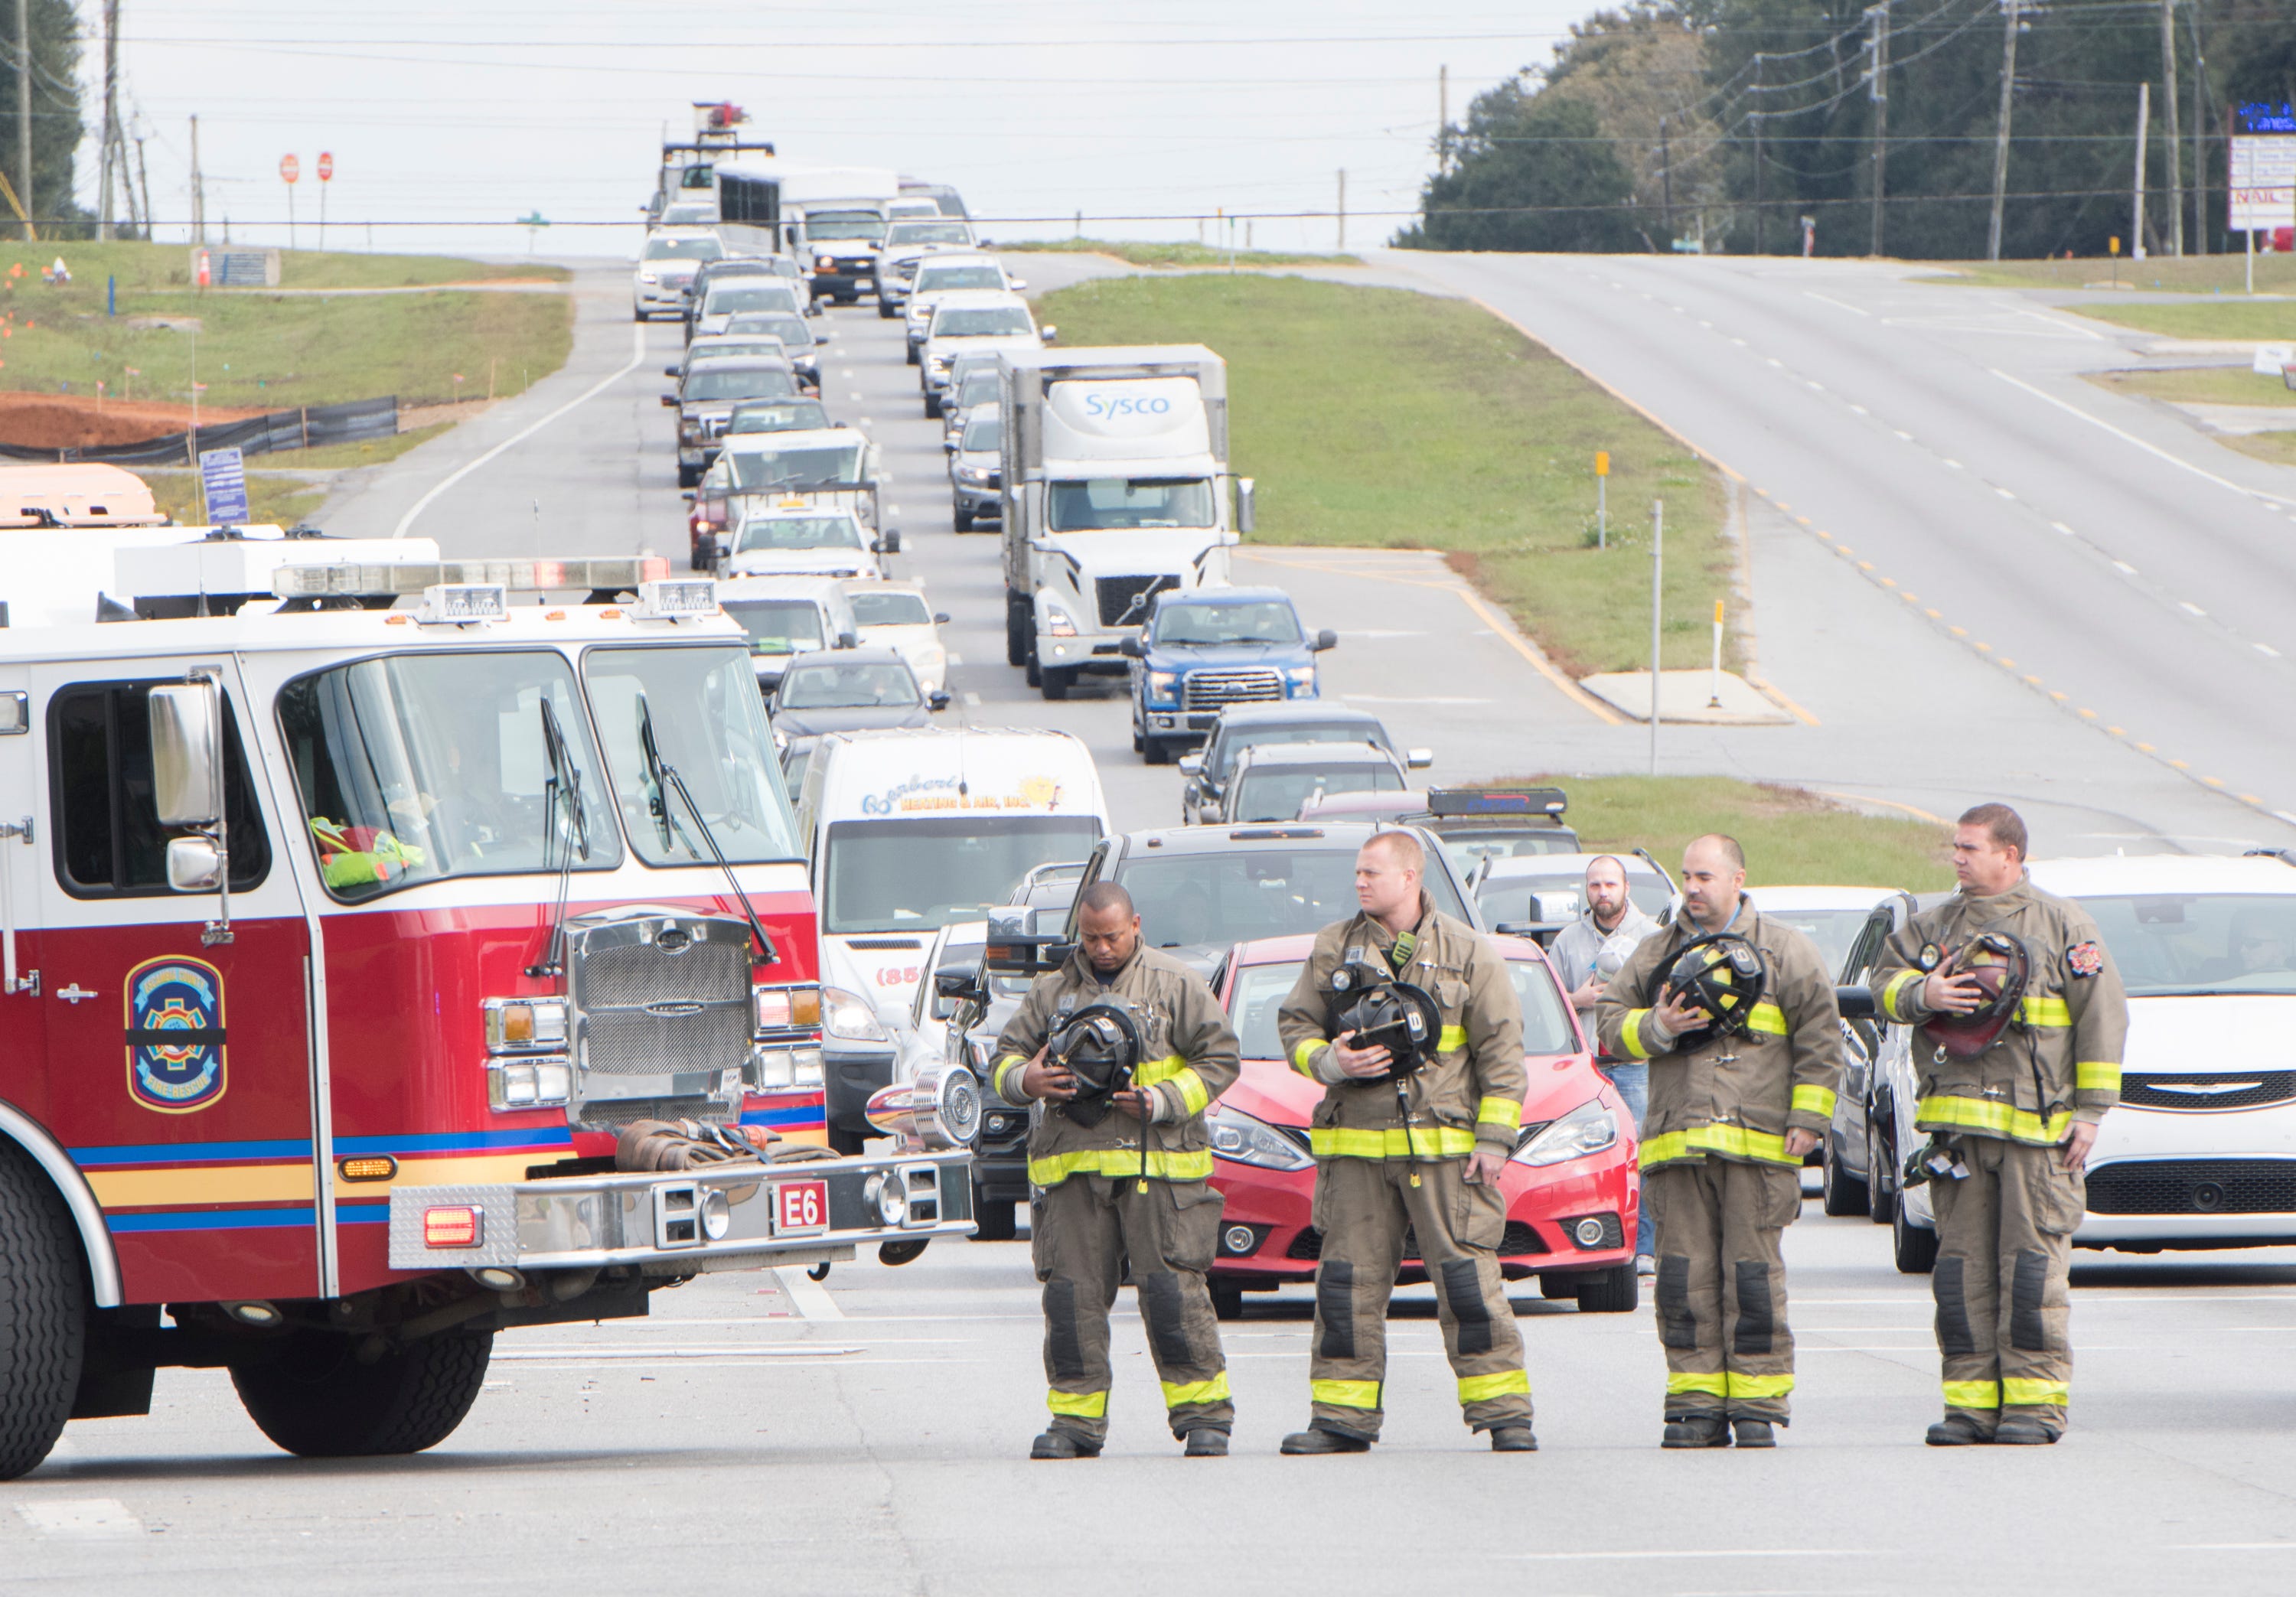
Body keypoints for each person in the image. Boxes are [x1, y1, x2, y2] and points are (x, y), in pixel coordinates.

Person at [1866, 803, 2126, 1447]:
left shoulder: (2063, 925)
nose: (1957, 857)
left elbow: (2103, 1018)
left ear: (2010, 854)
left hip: (2038, 1140)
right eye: (1956, 847)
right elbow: (1881, 984)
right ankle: (1970, 1408)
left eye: (1970, 847)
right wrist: (1924, 994)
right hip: (1958, 1139)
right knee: (1961, 1276)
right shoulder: (1933, 927)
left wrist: (2090, 1113)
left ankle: (2034, 1408)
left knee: (2031, 1274)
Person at [1274, 830, 1536, 1455]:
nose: (1359, 882)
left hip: (1446, 1155)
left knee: (1468, 1282)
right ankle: (1341, 1418)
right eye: (1358, 872)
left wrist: (1494, 1140)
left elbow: (1503, 1053)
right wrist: (1331, 1062)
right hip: (1357, 1152)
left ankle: (1504, 1413)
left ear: (1411, 877)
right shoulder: (1333, 947)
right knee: (1346, 1286)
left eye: (1372, 872)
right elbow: (1295, 1025)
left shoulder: (1468, 952)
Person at [1596, 835, 1841, 1449]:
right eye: (1686, 876)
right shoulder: (1657, 952)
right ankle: (1695, 1405)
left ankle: (1757, 1404)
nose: (1692, 888)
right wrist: (1657, 1025)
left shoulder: (1786, 950)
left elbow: (1821, 1040)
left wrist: (1808, 1120)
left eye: (1704, 876)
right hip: (1678, 1150)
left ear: (1738, 879)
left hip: (1759, 1152)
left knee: (1752, 1280)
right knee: (1683, 1282)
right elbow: (1609, 1021)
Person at [990, 881, 1242, 1459]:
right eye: (1090, 938)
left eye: (1111, 936)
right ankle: (1075, 1422)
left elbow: (1221, 1058)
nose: (1101, 948)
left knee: (1173, 1294)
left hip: (1161, 1171)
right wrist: (1028, 1079)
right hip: (1073, 1175)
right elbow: (1004, 1061)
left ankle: (1204, 1417)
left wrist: (1163, 1100)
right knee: (1071, 1299)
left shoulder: (1175, 984)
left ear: (1135, 925)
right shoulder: (1051, 991)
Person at [1548, 855, 1662, 1273]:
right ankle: (1590, 1243)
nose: (1603, 893)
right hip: (1585, 1069)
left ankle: (1644, 1249)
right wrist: (1576, 1000)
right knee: (1586, 1158)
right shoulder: (1567, 942)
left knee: (1640, 1154)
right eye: (1595, 885)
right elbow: (1547, 1004)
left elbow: (1668, 1003)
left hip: (1634, 1064)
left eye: (1611, 884)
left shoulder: (1652, 939)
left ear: (1626, 888)